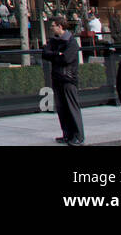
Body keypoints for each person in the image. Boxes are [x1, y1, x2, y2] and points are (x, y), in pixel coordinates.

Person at [42, 16, 83, 146]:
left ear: (60, 26)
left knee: (72, 108)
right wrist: (57, 55)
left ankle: (78, 136)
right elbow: (45, 54)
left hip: (68, 79)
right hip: (57, 78)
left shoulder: (71, 42)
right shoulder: (54, 41)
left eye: (53, 25)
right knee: (62, 109)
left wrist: (55, 55)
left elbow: (66, 59)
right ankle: (67, 135)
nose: (51, 28)